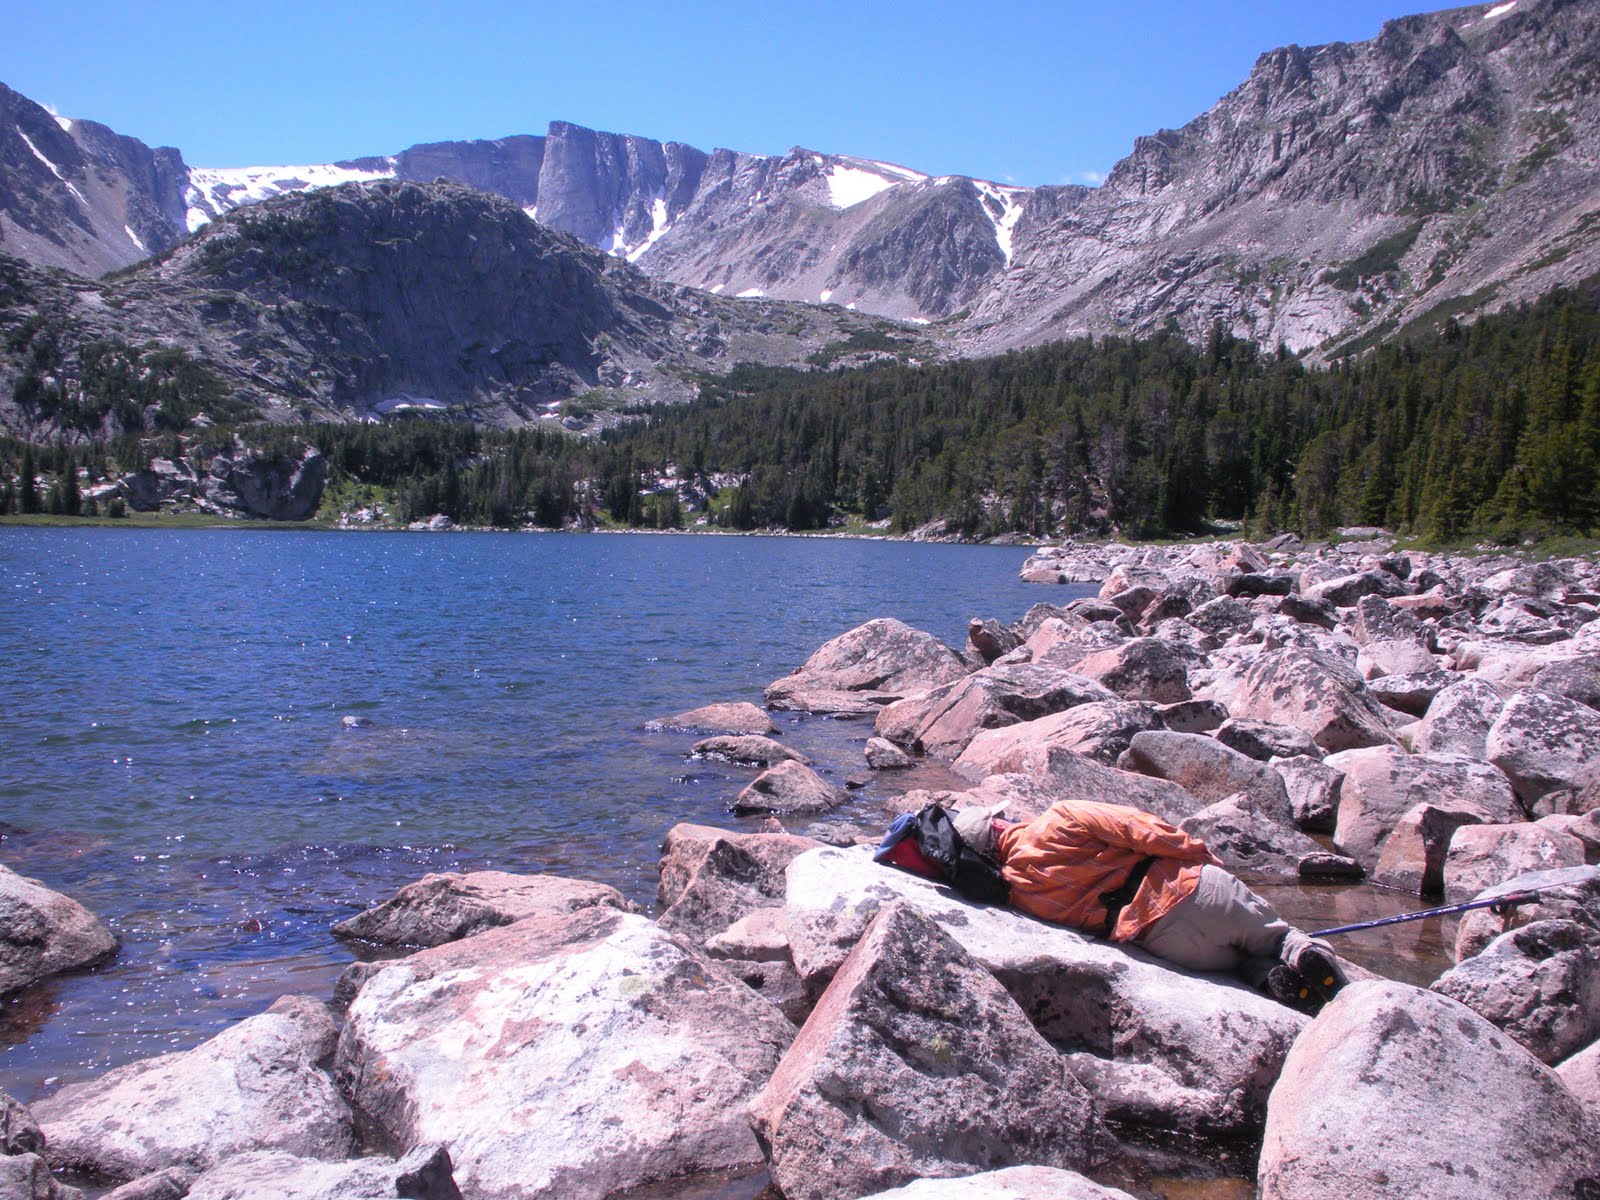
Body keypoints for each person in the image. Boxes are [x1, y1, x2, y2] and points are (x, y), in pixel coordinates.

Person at [950, 798, 1347, 1014]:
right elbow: (1140, 828)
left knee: (1240, 965)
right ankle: (1309, 961)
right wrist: (1200, 854)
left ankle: (1269, 980)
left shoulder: (1018, 891)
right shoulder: (1058, 817)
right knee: (1279, 936)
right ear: (999, 825)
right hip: (1189, 888)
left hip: (1163, 940)